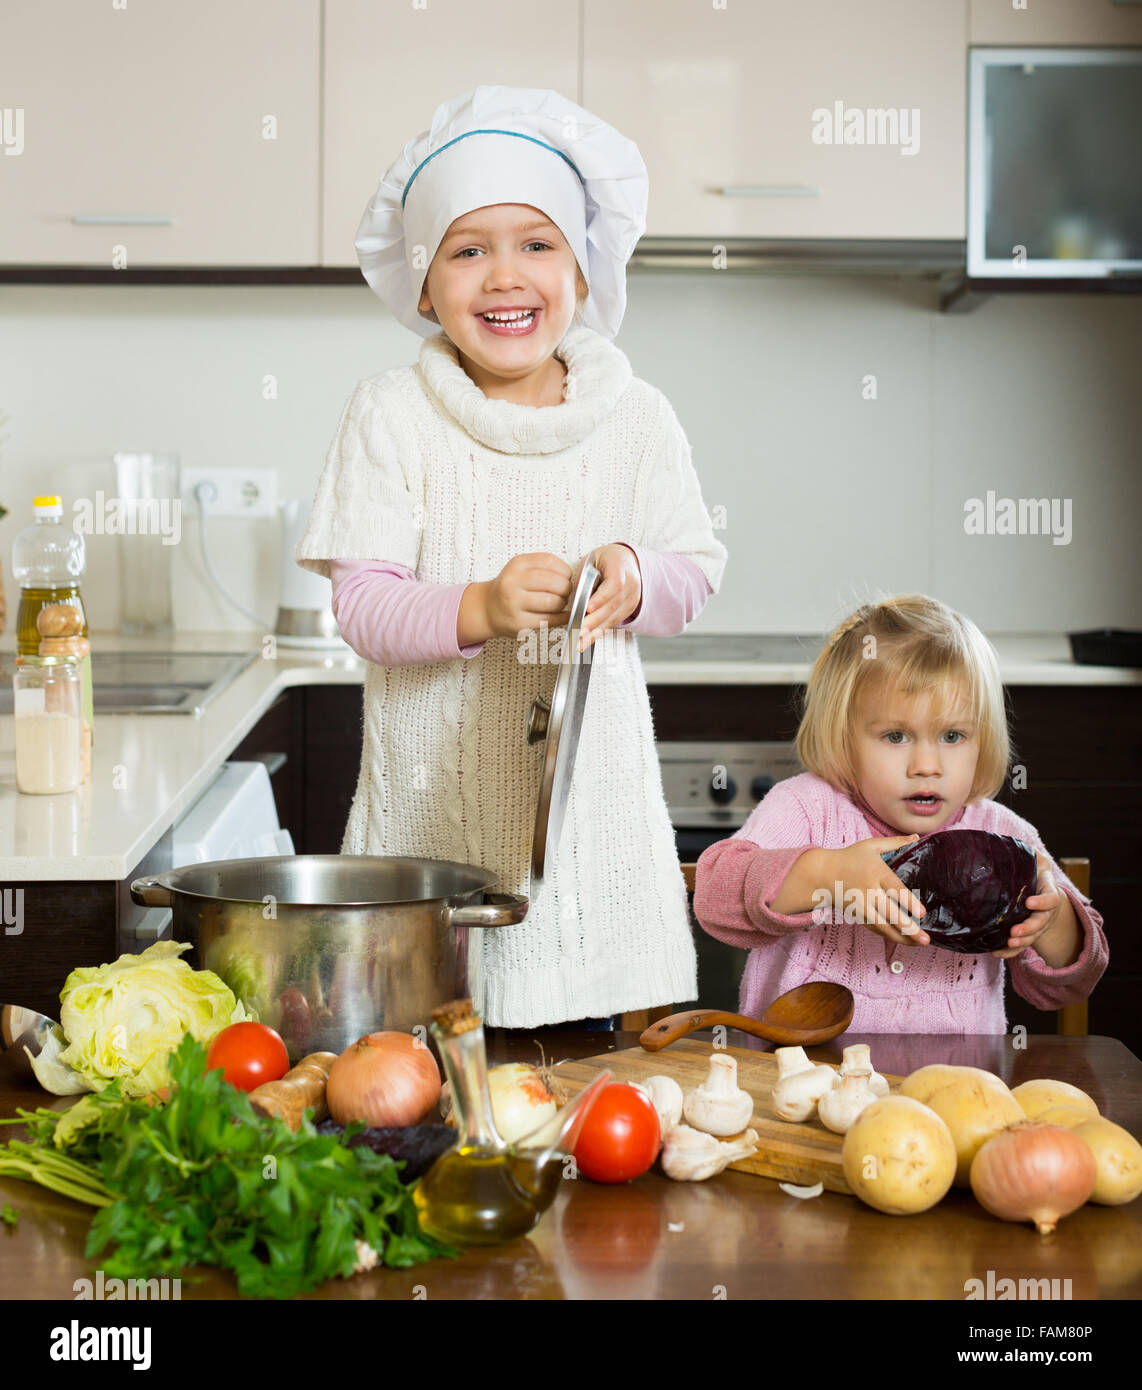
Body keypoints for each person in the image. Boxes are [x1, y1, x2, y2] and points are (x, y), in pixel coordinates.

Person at [297, 86, 727, 1028]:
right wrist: (480, 608)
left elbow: (693, 571)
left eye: (537, 244)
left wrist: (635, 572)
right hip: (429, 827)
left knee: (590, 1106)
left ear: (583, 268)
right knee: (424, 1091)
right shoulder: (390, 414)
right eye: (467, 248)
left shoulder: (636, 417)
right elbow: (363, 608)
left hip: (593, 847)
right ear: (421, 284)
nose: (504, 275)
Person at [693, 595, 1108, 1033]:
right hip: (804, 1083)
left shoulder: (1003, 833)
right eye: (896, 736)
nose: (926, 765)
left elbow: (1072, 984)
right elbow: (715, 900)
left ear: (983, 741)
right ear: (843, 736)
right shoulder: (805, 808)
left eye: (952, 735)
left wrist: (1052, 920)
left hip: (950, 1093)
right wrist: (828, 875)